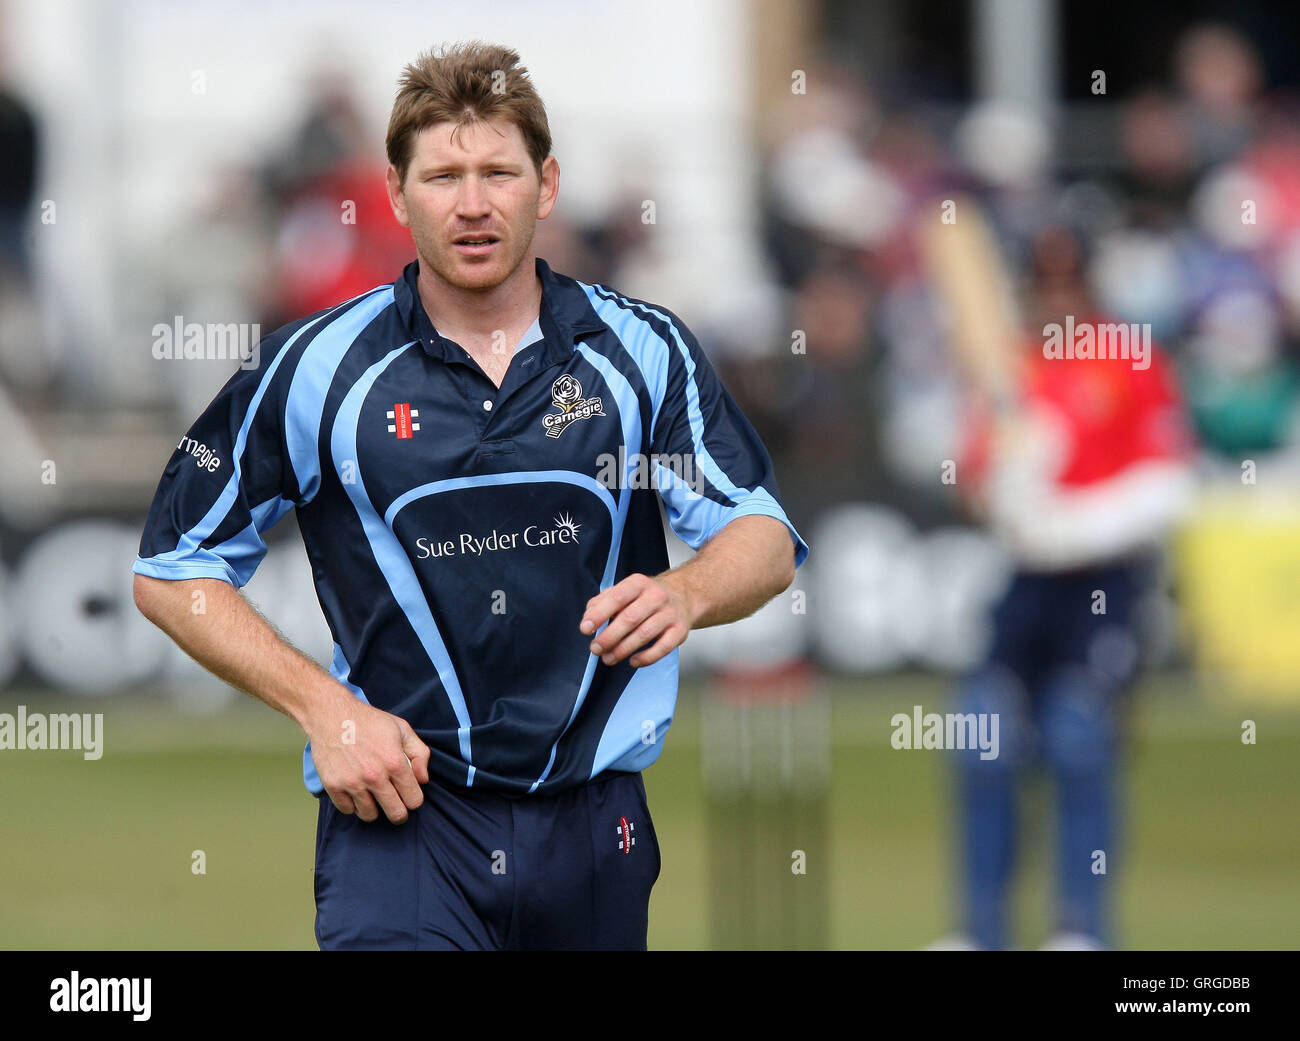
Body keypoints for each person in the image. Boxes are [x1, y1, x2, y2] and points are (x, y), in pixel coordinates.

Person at [132, 40, 808, 951]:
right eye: (444, 175)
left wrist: (687, 591)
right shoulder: (316, 367)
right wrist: (324, 710)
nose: (475, 203)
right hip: (402, 817)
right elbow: (173, 568)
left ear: (549, 182)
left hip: (593, 824)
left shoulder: (642, 350)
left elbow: (761, 532)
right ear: (398, 193)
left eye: (499, 171)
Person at [942, 223, 1195, 950]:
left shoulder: (1130, 357)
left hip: (1105, 585)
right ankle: (979, 932)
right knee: (982, 736)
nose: (1055, 297)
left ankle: (1078, 930)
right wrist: (1006, 493)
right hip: (1025, 585)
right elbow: (976, 482)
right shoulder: (1007, 364)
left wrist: (1073, 522)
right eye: (1043, 284)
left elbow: (1167, 481)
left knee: (1078, 735)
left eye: (1067, 283)